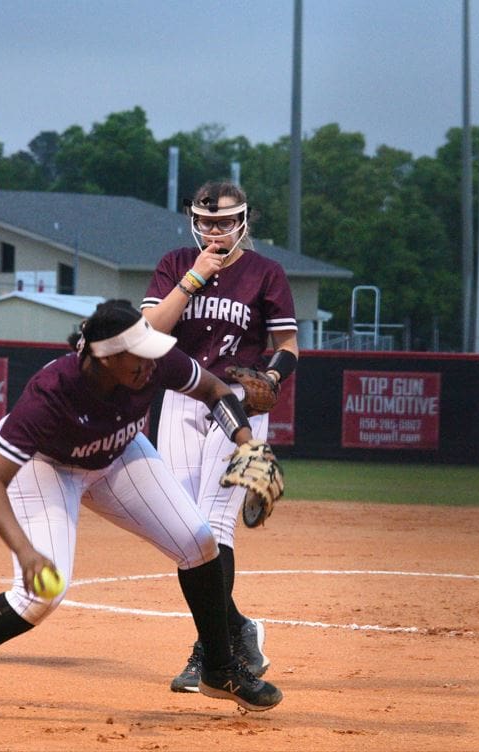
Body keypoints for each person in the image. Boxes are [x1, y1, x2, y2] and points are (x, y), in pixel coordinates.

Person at [0, 299, 283, 721]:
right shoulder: (52, 392)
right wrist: (26, 552)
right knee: (40, 594)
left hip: (117, 454)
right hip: (46, 467)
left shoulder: (154, 360)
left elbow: (215, 390)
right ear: (105, 358)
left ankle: (219, 666)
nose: (152, 363)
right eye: (139, 356)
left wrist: (247, 442)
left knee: (199, 541)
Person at [140, 181, 299, 692]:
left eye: (226, 221)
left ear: (242, 222)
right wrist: (191, 279)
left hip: (238, 401)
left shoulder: (264, 273)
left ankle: (210, 652)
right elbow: (149, 335)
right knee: (186, 534)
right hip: (183, 396)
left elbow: (288, 344)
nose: (216, 230)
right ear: (194, 221)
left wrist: (272, 379)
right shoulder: (176, 263)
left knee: (213, 528)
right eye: (208, 221)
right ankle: (237, 629)